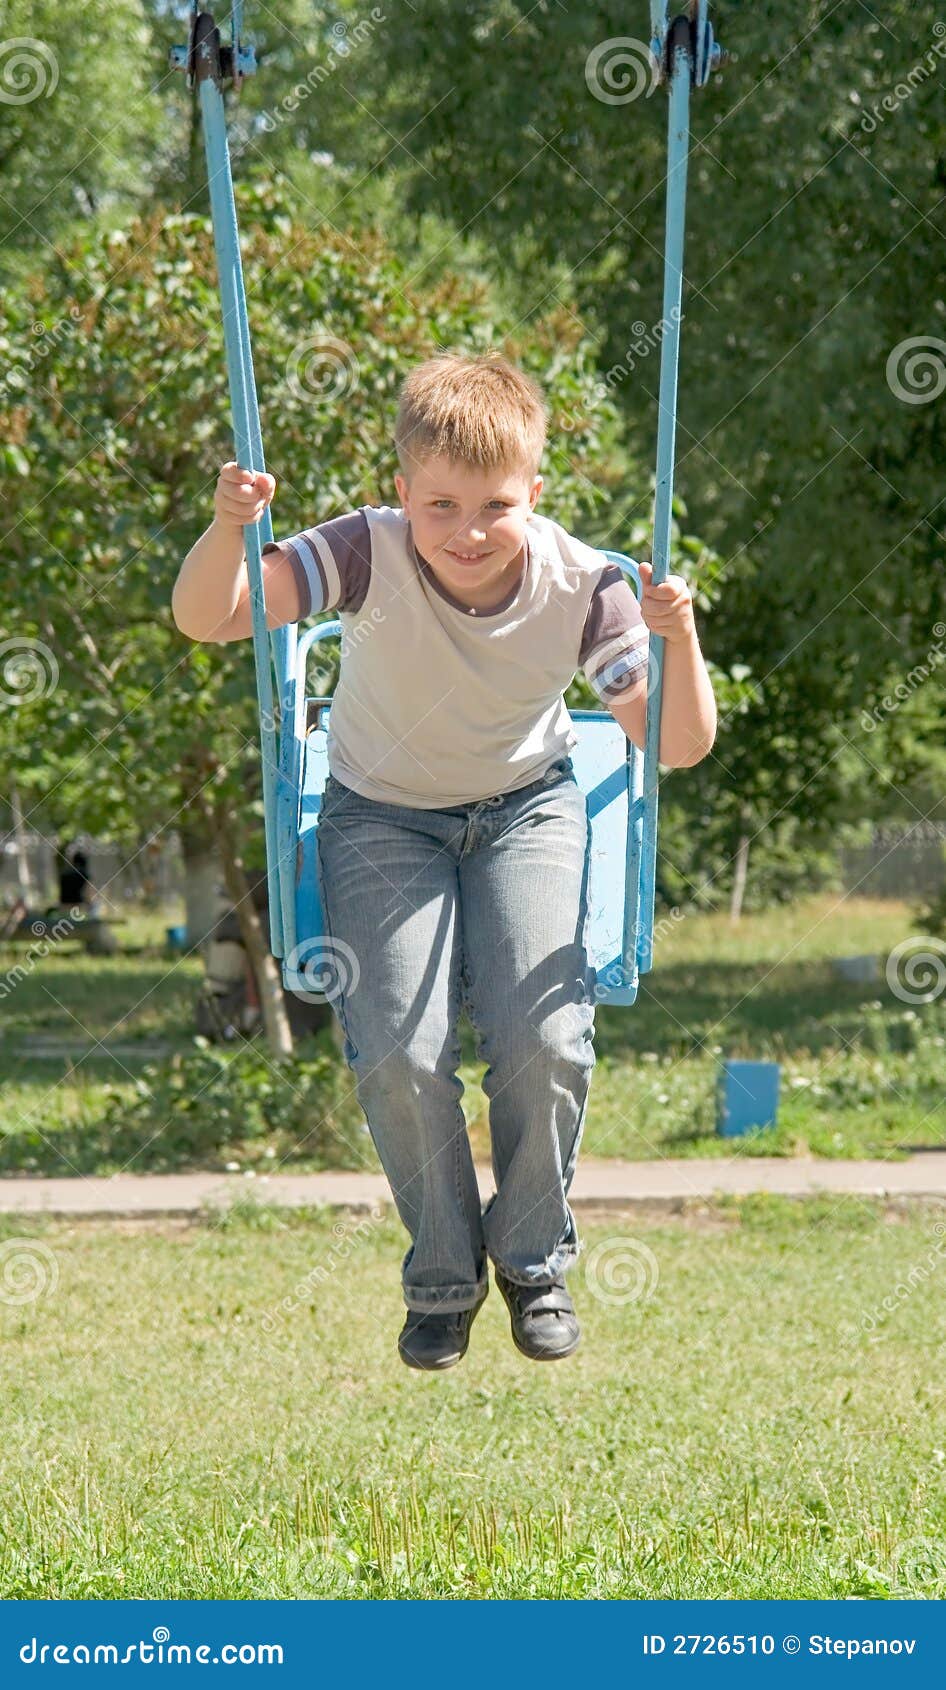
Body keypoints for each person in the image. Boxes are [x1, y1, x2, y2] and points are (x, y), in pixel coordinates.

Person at [172, 352, 716, 1371]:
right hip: (380, 812)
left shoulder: (584, 582)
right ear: (400, 492)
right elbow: (209, 616)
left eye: (494, 505)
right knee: (395, 1051)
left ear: (536, 493)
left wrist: (676, 641)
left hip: (526, 809)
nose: (467, 532)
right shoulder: (365, 552)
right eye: (440, 504)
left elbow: (673, 743)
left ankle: (529, 1260)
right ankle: (443, 1274)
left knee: (545, 1037)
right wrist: (228, 530)